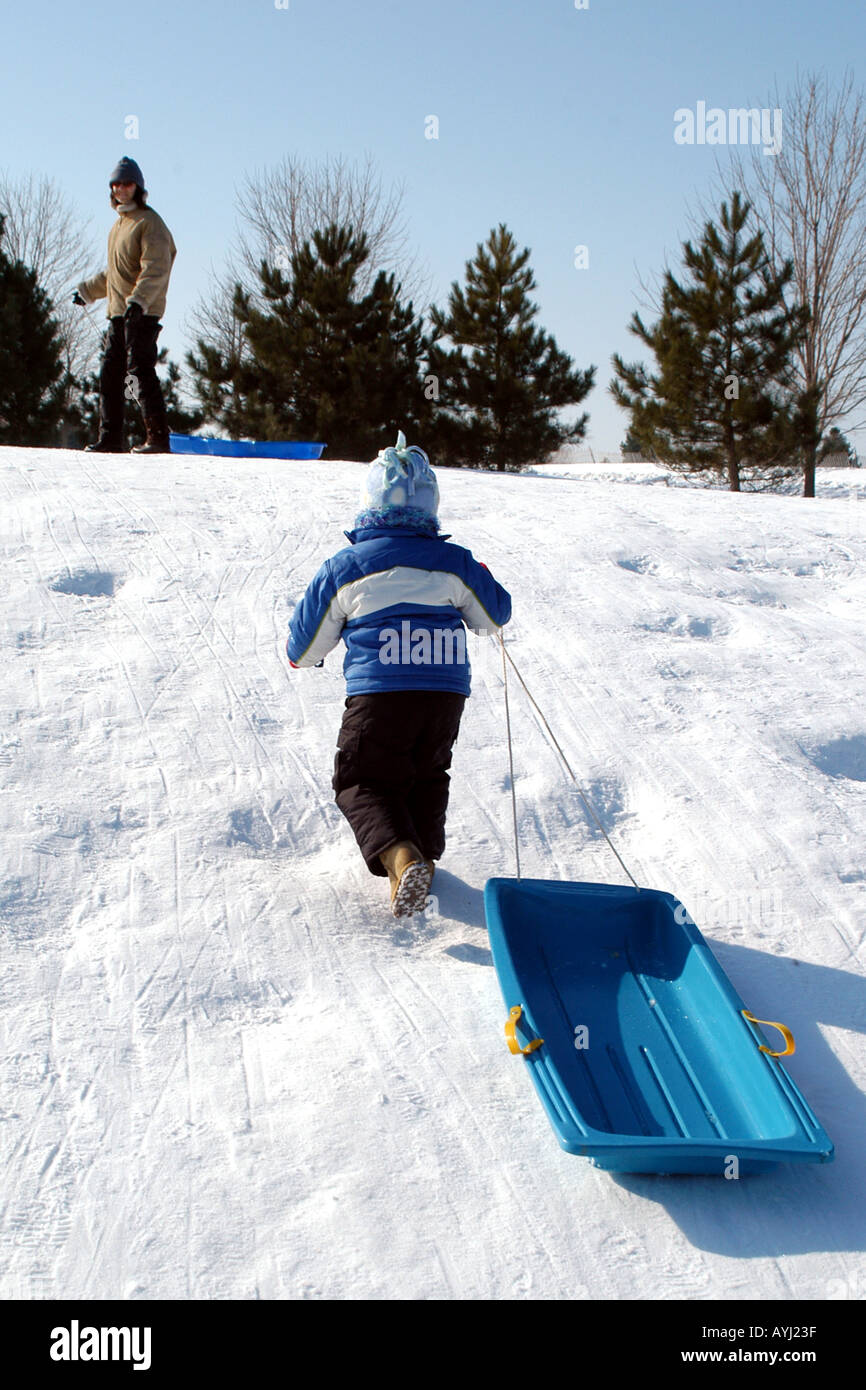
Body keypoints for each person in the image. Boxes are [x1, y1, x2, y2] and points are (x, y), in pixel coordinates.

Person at [287, 431, 512, 917]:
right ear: (431, 505)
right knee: (427, 773)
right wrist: (479, 577)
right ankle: (422, 859)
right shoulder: (454, 563)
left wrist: (305, 659)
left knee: (362, 780)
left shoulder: (347, 567)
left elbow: (305, 644)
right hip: (444, 694)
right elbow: (494, 618)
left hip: (381, 692)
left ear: (367, 505)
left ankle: (398, 853)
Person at [74, 157, 177, 454]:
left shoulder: (150, 223)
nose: (121, 189)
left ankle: (157, 437)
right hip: (119, 314)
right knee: (110, 373)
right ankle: (111, 438)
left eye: (127, 183)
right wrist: (87, 291)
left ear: (138, 188)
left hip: (142, 313)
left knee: (139, 370)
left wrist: (139, 302)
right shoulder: (118, 226)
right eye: (116, 184)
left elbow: (156, 268)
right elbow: (114, 274)